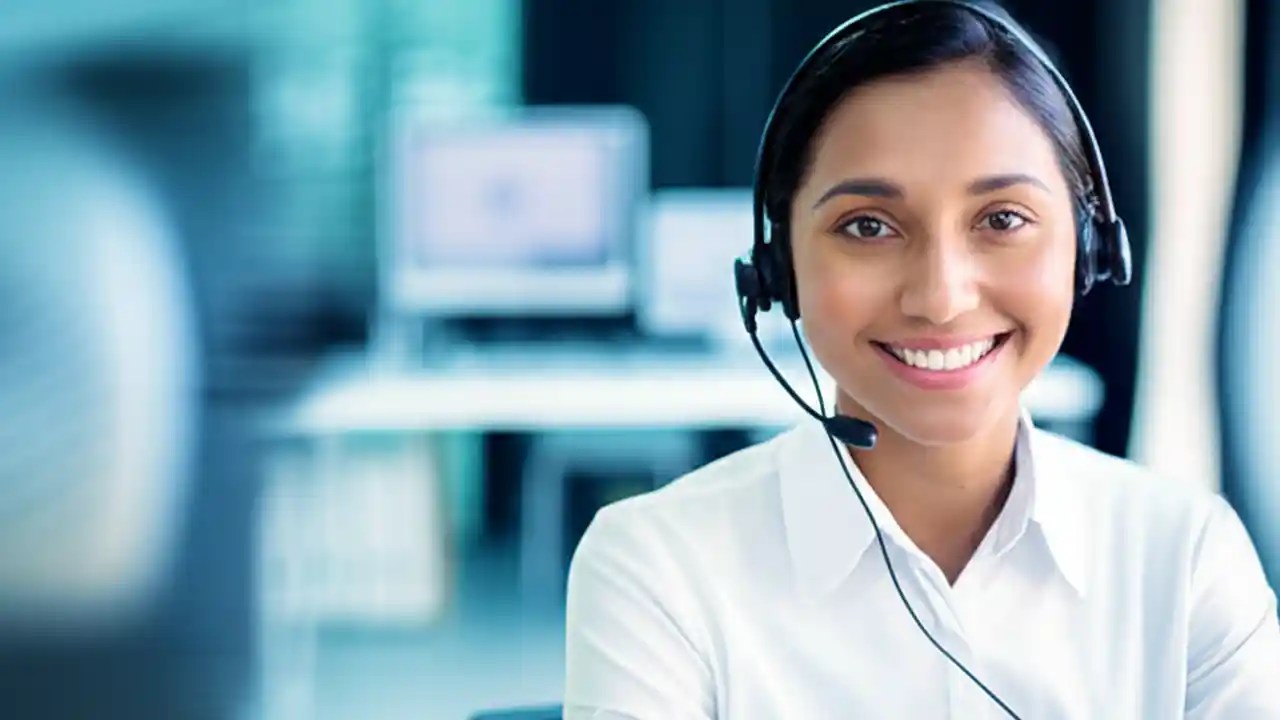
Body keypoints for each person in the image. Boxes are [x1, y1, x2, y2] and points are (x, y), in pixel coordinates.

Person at [562, 1, 1280, 718]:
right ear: (779, 271)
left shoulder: (1185, 558)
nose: (940, 297)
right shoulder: (656, 567)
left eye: (1002, 220)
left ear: (1089, 252)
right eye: (868, 226)